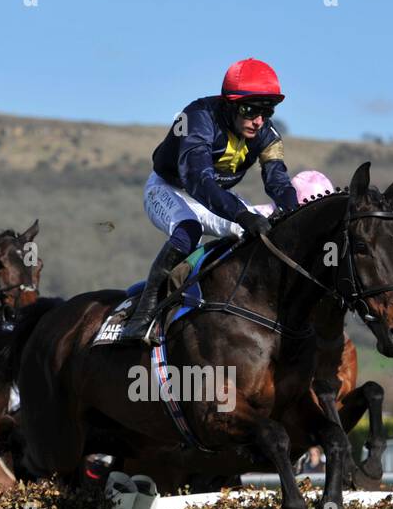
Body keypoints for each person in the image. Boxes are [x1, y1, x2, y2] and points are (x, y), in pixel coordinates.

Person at [121, 58, 299, 345]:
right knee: (189, 230)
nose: (259, 120)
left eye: (267, 111)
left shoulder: (267, 134)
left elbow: (277, 181)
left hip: (215, 197)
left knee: (265, 237)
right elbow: (198, 180)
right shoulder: (197, 118)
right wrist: (241, 215)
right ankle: (144, 313)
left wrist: (295, 214)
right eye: (251, 110)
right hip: (170, 189)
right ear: (229, 104)